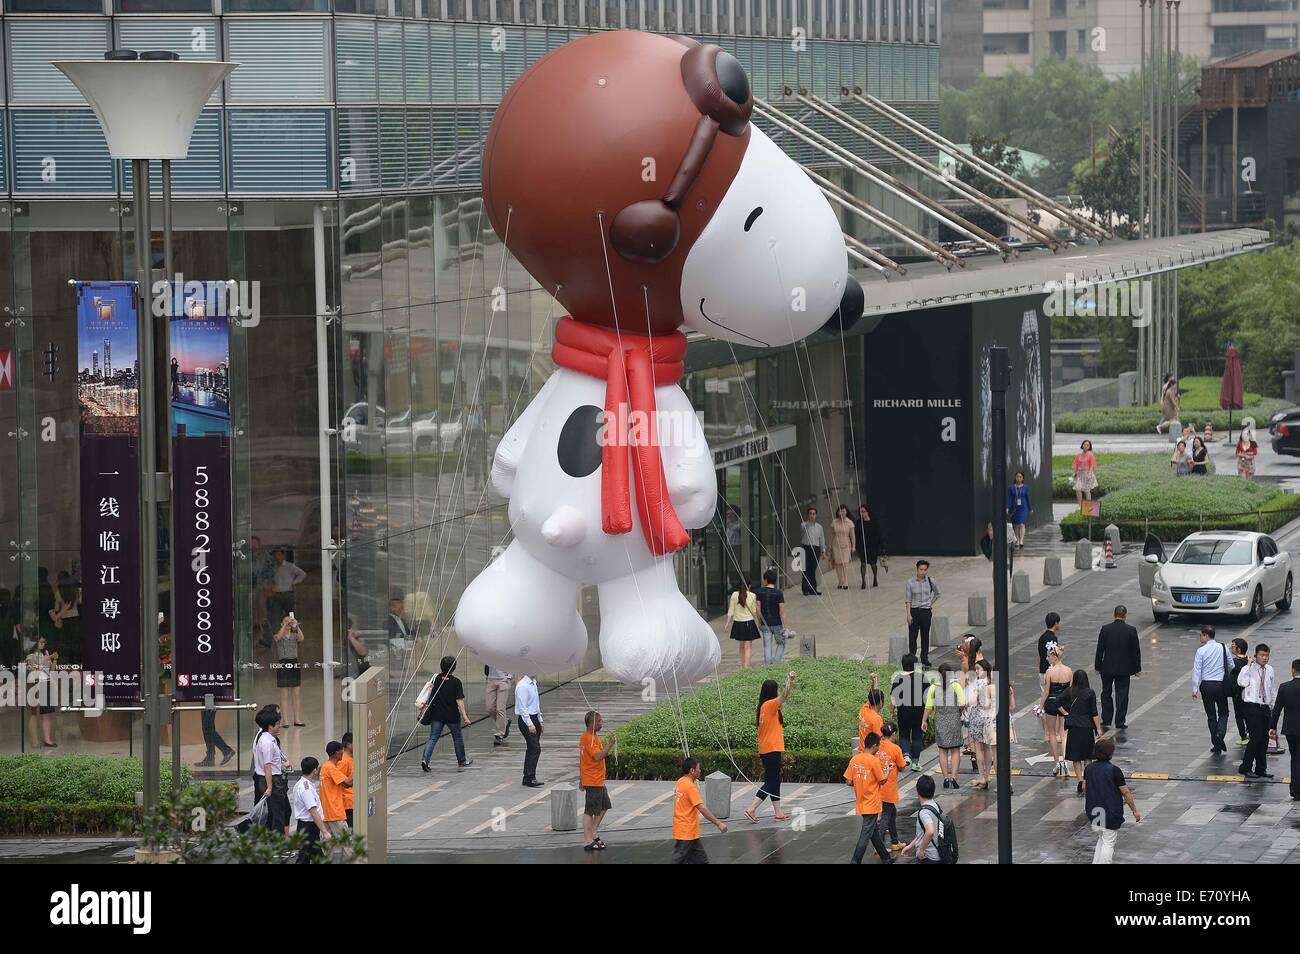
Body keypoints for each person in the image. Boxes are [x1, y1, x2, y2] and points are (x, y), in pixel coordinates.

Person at [746, 671, 795, 822]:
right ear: (772, 691)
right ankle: (752, 808)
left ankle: (778, 812)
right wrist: (790, 680)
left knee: (774, 779)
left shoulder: (764, 706)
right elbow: (785, 695)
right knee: (771, 781)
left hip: (767, 749)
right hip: (772, 749)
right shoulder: (769, 705)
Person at [1084, 737, 1141, 864]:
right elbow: (1125, 792)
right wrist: (1134, 811)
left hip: (1094, 811)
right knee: (1109, 842)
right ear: (1110, 753)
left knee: (1102, 838)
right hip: (1109, 812)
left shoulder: (1089, 768)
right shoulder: (1114, 770)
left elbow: (1085, 787)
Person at [845, 731, 894, 864]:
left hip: (861, 801)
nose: (878, 749)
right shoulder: (874, 761)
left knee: (874, 833)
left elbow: (848, 781)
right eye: (878, 746)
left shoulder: (855, 759)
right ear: (873, 746)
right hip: (871, 803)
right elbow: (882, 780)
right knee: (865, 834)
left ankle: (886, 858)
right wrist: (888, 771)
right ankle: (855, 860)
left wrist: (860, 781)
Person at [418, 655, 474, 772]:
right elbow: (459, 701)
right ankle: (462, 761)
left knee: (433, 738)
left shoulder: (436, 678)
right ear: (453, 668)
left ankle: (425, 760)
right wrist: (465, 716)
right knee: (457, 737)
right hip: (452, 715)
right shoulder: (456, 682)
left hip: (436, 715)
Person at [672, 757, 727, 863]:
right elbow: (702, 808)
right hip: (686, 831)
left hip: (687, 831)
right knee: (678, 860)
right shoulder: (690, 787)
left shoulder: (680, 781)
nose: (700, 770)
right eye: (698, 768)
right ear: (692, 770)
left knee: (701, 861)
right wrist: (718, 823)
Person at [1094, 604, 1140, 730]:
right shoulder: (1131, 630)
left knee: (1106, 693)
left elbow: (1100, 650)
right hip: (1124, 669)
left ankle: (1107, 719)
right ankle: (1120, 721)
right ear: (1125, 615)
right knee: (1122, 694)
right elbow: (1136, 651)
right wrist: (1137, 669)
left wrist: (1098, 666)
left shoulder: (1105, 629)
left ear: (1114, 615)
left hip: (1107, 667)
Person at [1058, 670, 1102, 795]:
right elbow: (1094, 713)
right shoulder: (1090, 693)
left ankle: (1080, 780)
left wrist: (1065, 713)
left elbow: (1056, 701)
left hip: (1074, 728)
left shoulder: (1069, 691)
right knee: (1087, 757)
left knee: (1076, 757)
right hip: (1087, 728)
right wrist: (1098, 728)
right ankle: (1087, 781)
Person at [1237, 643, 1277, 779]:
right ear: (1256, 655)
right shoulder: (1249, 669)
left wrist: (1273, 704)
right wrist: (1248, 666)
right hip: (1252, 707)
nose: (1265, 658)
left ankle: (1261, 768)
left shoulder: (1270, 669)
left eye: (1267, 655)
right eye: (1262, 655)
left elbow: (1272, 687)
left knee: (1265, 739)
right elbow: (1241, 682)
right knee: (1255, 738)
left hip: (1265, 707)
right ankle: (1245, 767)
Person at [923, 663, 966, 789]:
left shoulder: (933, 688)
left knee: (942, 750)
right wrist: (958, 712)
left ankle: (946, 778)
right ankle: (954, 778)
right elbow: (963, 703)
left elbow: (928, 707)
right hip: (954, 720)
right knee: (955, 750)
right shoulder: (956, 686)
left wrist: (924, 721)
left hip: (940, 721)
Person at [1191, 623, 1232, 753]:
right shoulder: (1223, 647)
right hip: (1220, 684)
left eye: (1201, 635)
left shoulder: (1201, 651)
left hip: (1206, 685)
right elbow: (1230, 665)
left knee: (1211, 715)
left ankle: (1216, 742)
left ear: (1206, 635)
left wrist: (1194, 688)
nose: (1200, 638)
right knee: (1224, 712)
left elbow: (1197, 670)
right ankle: (1220, 734)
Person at [579, 710, 617, 850]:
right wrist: (610, 744)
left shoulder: (592, 737)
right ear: (592, 723)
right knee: (590, 810)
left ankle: (593, 832)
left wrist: (581, 778)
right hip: (592, 780)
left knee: (605, 805)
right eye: (599, 721)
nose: (602, 723)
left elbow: (582, 760)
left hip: (597, 779)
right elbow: (597, 757)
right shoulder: (588, 738)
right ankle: (588, 840)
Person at [252, 706, 290, 834]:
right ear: (270, 726)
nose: (279, 726)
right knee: (277, 814)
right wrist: (269, 787)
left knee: (276, 812)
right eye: (277, 724)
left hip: (269, 779)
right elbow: (267, 766)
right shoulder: (267, 743)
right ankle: (278, 846)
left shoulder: (267, 739)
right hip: (271, 779)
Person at [1038, 642, 1072, 777]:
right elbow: (1070, 689)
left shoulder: (1049, 671)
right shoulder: (1069, 670)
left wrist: (1040, 706)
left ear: (1054, 657)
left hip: (1052, 703)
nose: (1047, 659)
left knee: (1052, 733)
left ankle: (1057, 763)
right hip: (1065, 703)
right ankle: (1066, 761)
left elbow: (1046, 691)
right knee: (1063, 734)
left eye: (1048, 656)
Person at [1270, 659, 1300, 800]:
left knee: (1294, 758)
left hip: (1290, 729)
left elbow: (1276, 710)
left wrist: (1272, 727)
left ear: (1293, 671)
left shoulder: (1284, 687)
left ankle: (1294, 789)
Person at [291, 756, 330, 863]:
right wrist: (324, 831)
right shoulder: (305, 788)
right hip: (308, 827)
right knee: (304, 858)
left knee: (316, 856)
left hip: (308, 827)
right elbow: (313, 811)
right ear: (314, 770)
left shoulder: (301, 784)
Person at [890, 655, 926, 771]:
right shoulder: (922, 678)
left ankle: (906, 755)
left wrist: (893, 711)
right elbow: (928, 697)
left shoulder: (898, 679)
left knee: (904, 735)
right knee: (917, 737)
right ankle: (915, 763)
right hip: (919, 712)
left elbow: (894, 700)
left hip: (904, 712)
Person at [900, 773, 943, 863]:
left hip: (928, 857)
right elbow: (923, 833)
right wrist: (911, 846)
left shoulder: (924, 812)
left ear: (918, 791)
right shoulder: (935, 805)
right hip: (937, 854)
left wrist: (921, 850)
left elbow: (930, 831)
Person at [904, 559, 940, 666]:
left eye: (925, 569)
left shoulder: (930, 581)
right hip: (914, 611)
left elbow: (937, 594)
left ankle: (924, 658)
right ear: (917, 569)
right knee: (913, 636)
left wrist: (929, 603)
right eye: (921, 569)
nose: (923, 572)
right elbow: (908, 600)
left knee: (925, 636)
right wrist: (908, 614)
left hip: (926, 611)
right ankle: (912, 658)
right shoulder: (910, 582)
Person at [273, 613, 306, 728]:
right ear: (281, 624)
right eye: (285, 621)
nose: (288, 622)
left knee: (296, 693)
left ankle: (297, 719)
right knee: (284, 694)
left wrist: (296, 626)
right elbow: (277, 637)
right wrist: (285, 625)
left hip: (294, 662)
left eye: (289, 621)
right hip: (283, 663)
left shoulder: (294, 635)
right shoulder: (279, 635)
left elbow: (301, 638)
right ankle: (285, 720)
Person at [877, 723, 906, 851]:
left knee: (892, 813)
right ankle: (880, 845)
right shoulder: (895, 749)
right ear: (893, 734)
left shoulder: (877, 745)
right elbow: (902, 766)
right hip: (888, 787)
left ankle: (895, 841)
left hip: (877, 785)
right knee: (886, 816)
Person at [24, 636, 57, 748]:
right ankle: (35, 741)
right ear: (35, 643)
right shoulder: (30, 655)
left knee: (47, 713)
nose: (43, 644)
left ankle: (47, 740)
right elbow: (34, 669)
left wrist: (54, 660)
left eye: (44, 642)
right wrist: (46, 659)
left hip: (46, 682)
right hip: (35, 684)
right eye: (41, 642)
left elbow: (51, 671)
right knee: (35, 713)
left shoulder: (46, 653)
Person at [724, 577, 760, 669]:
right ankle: (746, 666)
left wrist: (727, 624)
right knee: (748, 646)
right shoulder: (752, 595)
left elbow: (731, 610)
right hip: (749, 622)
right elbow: (754, 612)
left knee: (741, 646)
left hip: (738, 623)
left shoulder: (734, 595)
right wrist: (758, 622)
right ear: (749, 586)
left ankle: (743, 664)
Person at [319, 741, 352, 840]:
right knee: (346, 841)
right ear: (336, 753)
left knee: (327, 842)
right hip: (335, 811)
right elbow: (347, 784)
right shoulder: (331, 768)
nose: (343, 753)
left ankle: (327, 856)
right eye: (341, 751)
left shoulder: (325, 766)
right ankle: (352, 856)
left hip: (325, 811)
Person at [515, 672, 544, 786]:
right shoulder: (523, 686)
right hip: (526, 719)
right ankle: (529, 777)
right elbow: (522, 708)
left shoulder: (533, 683)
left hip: (534, 717)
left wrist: (540, 719)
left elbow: (536, 704)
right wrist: (529, 724)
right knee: (535, 748)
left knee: (532, 748)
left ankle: (528, 776)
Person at [755, 569, 788, 665]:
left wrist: (759, 621)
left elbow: (758, 609)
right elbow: (782, 612)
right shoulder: (779, 593)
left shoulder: (759, 592)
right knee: (781, 643)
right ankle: (776, 663)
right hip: (777, 623)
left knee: (767, 646)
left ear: (765, 580)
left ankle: (768, 666)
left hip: (765, 623)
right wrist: (786, 627)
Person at [269, 548, 306, 628]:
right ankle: (277, 633)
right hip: (277, 594)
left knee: (291, 613)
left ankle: (294, 631)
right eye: (275, 555)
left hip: (288, 593)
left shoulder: (290, 566)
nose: (277, 557)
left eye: (279, 555)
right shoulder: (273, 568)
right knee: (275, 615)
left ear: (283, 555)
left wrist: (294, 582)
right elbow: (270, 579)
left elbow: (302, 574)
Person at [196, 704, 235, 768]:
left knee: (208, 729)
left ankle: (226, 751)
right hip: (206, 699)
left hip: (210, 699)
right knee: (207, 729)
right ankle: (210, 757)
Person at [854, 504, 883, 588]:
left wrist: (881, 546)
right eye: (860, 512)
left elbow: (878, 534)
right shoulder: (859, 522)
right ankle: (863, 582)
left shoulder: (874, 521)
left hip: (873, 546)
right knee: (863, 563)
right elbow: (856, 534)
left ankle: (875, 578)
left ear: (867, 512)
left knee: (873, 564)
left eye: (863, 511)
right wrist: (856, 546)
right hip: (862, 546)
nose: (861, 513)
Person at [1229, 638, 1251, 748]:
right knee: (1248, 713)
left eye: (1233, 646)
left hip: (1237, 693)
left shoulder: (1234, 663)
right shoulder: (1249, 661)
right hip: (1248, 693)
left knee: (1239, 715)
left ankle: (1243, 736)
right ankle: (1250, 732)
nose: (1231, 648)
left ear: (1238, 648)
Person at [827, 505, 856, 589]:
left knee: (845, 563)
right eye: (840, 511)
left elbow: (852, 536)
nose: (842, 512)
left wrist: (854, 546)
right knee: (838, 564)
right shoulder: (834, 522)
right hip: (836, 544)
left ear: (846, 512)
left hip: (846, 544)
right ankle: (840, 580)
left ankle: (846, 581)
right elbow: (832, 534)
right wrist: (829, 545)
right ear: (837, 512)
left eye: (843, 511)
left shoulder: (850, 522)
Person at [484, 663, 513, 747]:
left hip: (504, 679)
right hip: (491, 678)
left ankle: (499, 734)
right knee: (489, 708)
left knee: (500, 708)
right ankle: (505, 721)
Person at [799, 507, 825, 595]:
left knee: (812, 570)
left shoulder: (819, 527)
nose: (812, 515)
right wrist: (809, 523)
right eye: (810, 513)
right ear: (808, 515)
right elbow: (803, 531)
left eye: (814, 514)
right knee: (805, 569)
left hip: (816, 549)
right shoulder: (804, 525)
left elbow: (821, 539)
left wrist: (823, 551)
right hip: (805, 548)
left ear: (816, 515)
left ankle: (813, 589)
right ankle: (805, 589)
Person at [857, 675, 885, 752]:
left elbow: (872, 696)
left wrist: (874, 682)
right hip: (872, 756)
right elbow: (880, 741)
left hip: (861, 752)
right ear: (881, 702)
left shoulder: (863, 710)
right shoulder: (877, 719)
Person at [1005, 470, 1032, 548]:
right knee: (1015, 525)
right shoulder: (1011, 488)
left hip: (1024, 508)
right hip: (1014, 508)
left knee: (1021, 523)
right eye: (1017, 476)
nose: (1018, 478)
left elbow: (1028, 498)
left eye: (1020, 477)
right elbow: (1009, 498)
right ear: (1015, 477)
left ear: (1023, 478)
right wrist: (1007, 507)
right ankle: (1016, 539)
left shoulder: (1026, 487)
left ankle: (1021, 540)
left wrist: (1030, 508)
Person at [1072, 439, 1098, 513]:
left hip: (1087, 474)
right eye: (1084, 444)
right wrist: (1075, 473)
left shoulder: (1090, 455)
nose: (1085, 446)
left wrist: (1090, 474)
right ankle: (1080, 506)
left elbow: (1092, 466)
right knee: (1078, 489)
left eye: (1087, 445)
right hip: (1079, 474)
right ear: (1082, 445)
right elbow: (1076, 465)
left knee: (1087, 490)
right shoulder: (1078, 455)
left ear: (1089, 447)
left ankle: (1088, 507)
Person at [339, 732, 355, 827]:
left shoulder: (350, 758)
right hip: (347, 802)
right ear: (349, 745)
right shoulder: (343, 761)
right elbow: (341, 781)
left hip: (351, 800)